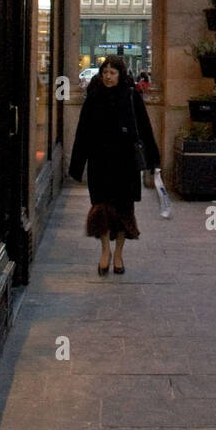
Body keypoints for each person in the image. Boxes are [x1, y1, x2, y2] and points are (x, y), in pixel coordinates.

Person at [69, 54, 160, 276]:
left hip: (125, 164)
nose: (108, 77)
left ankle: (118, 253)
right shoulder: (93, 97)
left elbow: (145, 129)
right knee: (101, 209)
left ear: (120, 75)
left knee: (123, 210)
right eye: (105, 72)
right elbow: (83, 133)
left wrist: (153, 161)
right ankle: (105, 251)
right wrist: (77, 165)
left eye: (112, 73)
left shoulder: (131, 97)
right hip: (100, 162)